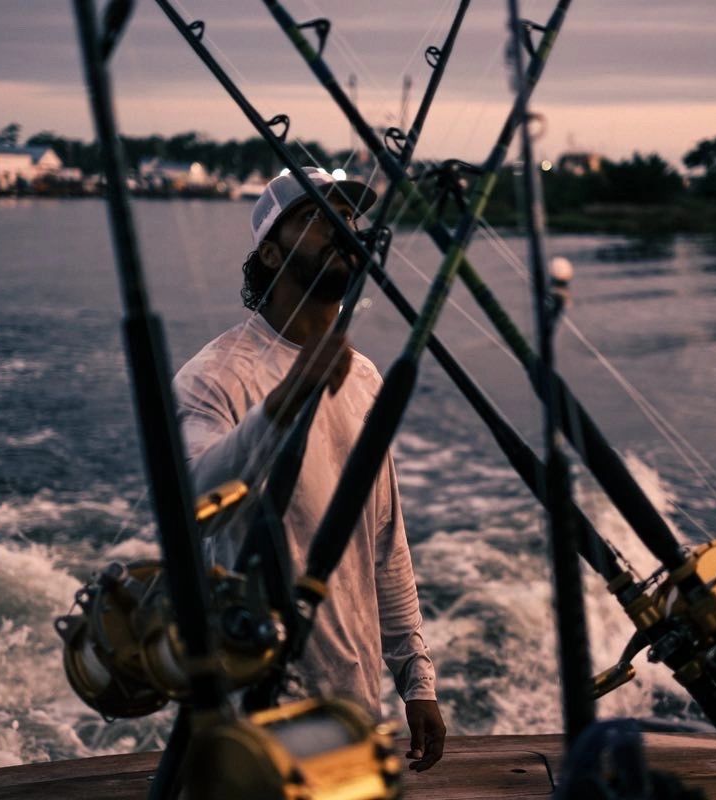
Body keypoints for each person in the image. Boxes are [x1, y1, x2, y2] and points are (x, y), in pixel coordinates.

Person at [172, 167, 446, 771]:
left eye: (347, 216)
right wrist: (283, 404)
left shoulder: (365, 377)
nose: (341, 228)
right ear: (270, 253)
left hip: (355, 709)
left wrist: (417, 679)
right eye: (316, 217)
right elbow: (192, 503)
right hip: (253, 715)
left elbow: (383, 540)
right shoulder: (212, 377)